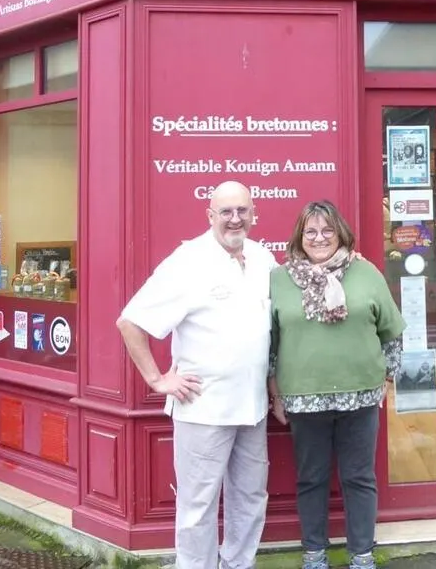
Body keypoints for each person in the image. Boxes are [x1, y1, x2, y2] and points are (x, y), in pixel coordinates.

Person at [116, 181, 276, 569]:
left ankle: (239, 564)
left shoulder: (263, 258)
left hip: (253, 408)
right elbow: (130, 322)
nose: (235, 219)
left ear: (254, 214)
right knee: (197, 507)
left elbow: (274, 330)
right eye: (226, 212)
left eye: (242, 211)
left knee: (251, 497)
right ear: (210, 216)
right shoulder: (188, 260)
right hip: (203, 409)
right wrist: (157, 380)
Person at [268, 200, 406, 569]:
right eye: (310, 231)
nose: (319, 238)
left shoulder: (366, 273)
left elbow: (392, 332)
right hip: (303, 398)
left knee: (359, 478)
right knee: (311, 479)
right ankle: (315, 554)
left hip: (360, 395)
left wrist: (386, 378)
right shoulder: (280, 278)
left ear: (340, 233)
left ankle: (362, 555)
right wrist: (274, 392)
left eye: (327, 230)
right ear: (300, 237)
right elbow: (271, 340)